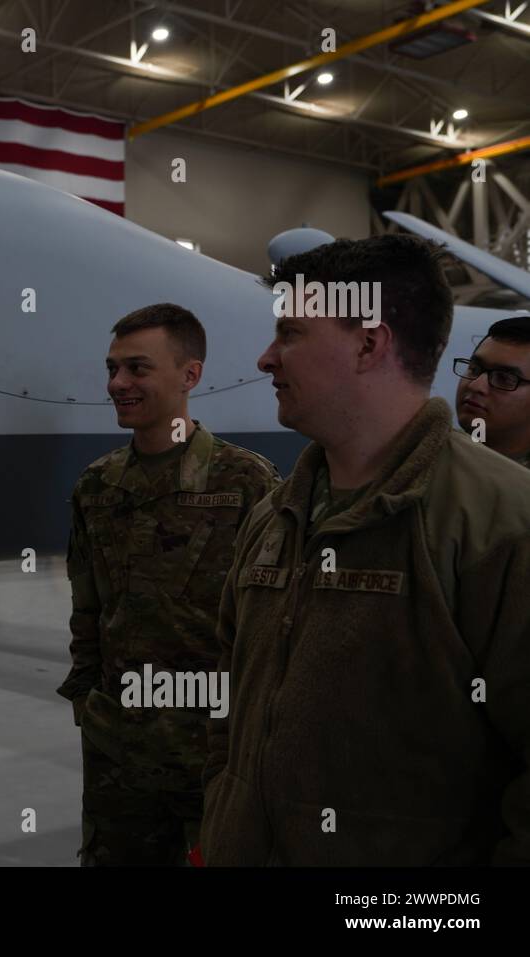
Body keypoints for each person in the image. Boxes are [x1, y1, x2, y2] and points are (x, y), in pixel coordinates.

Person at [202, 234, 530, 865]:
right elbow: (229, 701)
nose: (267, 358)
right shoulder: (276, 516)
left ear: (370, 342)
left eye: (291, 333)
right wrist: (225, 804)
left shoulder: (501, 527)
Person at [59, 303, 280, 866]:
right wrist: (88, 699)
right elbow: (87, 607)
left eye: (137, 368)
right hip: (119, 751)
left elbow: (276, 620)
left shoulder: (245, 482)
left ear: (189, 375)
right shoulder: (98, 486)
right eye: (112, 369)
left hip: (215, 753)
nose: (117, 384)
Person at [455, 314, 530, 468]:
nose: (475, 386)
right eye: (474, 369)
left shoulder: (521, 487)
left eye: (504, 378)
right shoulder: (422, 458)